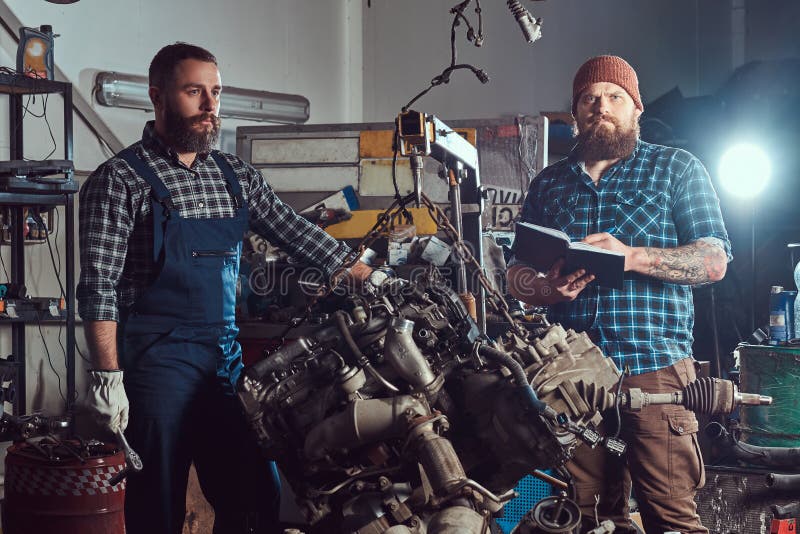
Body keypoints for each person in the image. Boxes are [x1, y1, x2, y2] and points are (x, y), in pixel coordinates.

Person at [78, 42, 371, 534]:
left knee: (254, 496)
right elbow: (99, 288)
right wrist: (107, 380)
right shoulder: (120, 181)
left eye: (215, 92)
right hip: (157, 367)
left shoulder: (235, 176)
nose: (210, 106)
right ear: (158, 97)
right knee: (158, 507)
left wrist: (366, 275)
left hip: (224, 361)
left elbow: (296, 233)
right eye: (195, 92)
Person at [507, 55, 731, 533]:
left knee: (671, 518)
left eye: (614, 97)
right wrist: (545, 288)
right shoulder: (549, 184)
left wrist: (632, 256)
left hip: (655, 372)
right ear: (575, 114)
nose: (601, 107)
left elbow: (714, 261)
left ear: (636, 108)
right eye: (589, 99)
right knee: (576, 517)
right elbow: (515, 272)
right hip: (572, 381)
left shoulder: (675, 169)